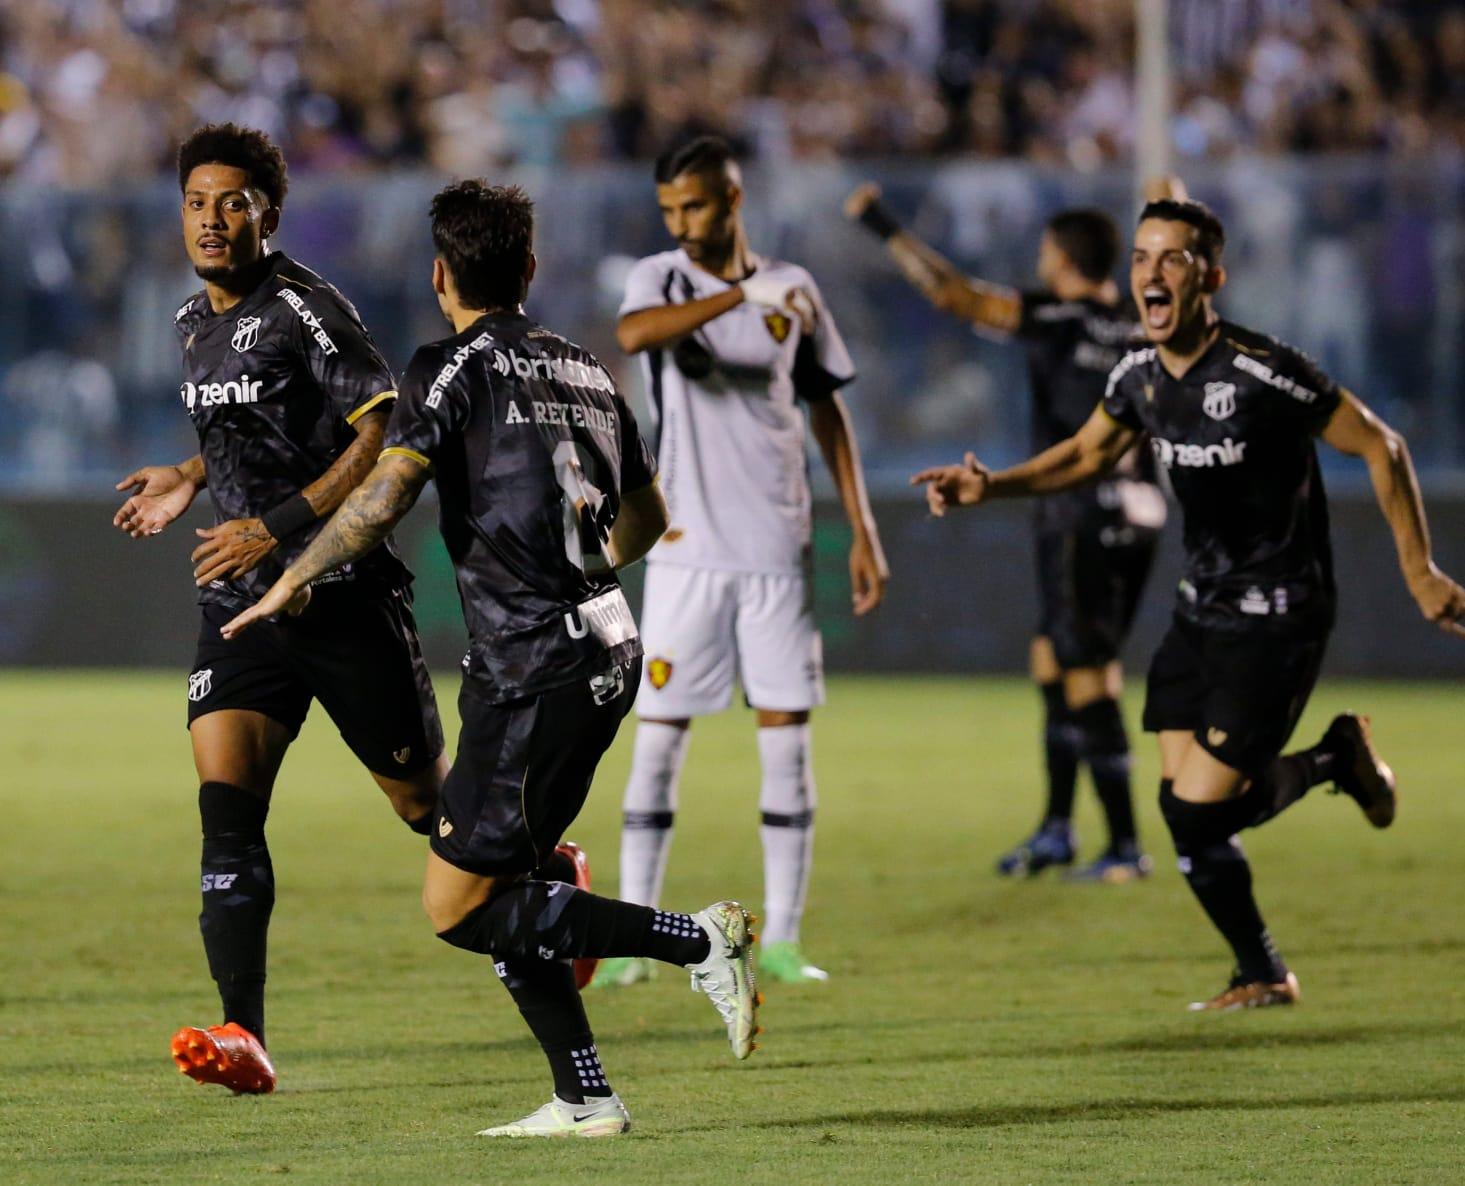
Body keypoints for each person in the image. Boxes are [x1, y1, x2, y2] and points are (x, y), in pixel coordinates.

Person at [222, 180, 761, 1137]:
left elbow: (386, 498)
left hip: (530, 668)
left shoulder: (449, 367)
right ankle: (585, 1094)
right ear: (530, 270)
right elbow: (649, 519)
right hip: (607, 646)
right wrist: (578, 571)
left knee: (457, 905)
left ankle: (697, 940)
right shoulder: (589, 370)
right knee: (506, 887)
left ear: (440, 274)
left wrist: (288, 573)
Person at [913, 197, 1465, 1009]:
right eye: (1141, 258)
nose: (1150, 273)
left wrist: (1419, 570)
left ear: (1210, 276)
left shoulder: (1261, 369)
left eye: (1172, 258)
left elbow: (1381, 446)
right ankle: (1330, 771)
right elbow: (1083, 456)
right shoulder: (1136, 376)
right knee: (1191, 800)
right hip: (1198, 607)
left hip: (1279, 611)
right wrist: (989, 485)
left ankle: (1265, 965)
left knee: (1193, 812)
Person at [112, 123, 447, 1092]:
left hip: (341, 596)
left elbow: (380, 428)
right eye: (196, 203)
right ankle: (243, 1035)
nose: (212, 221)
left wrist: (277, 523)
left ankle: (546, 868)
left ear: (270, 212)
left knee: (430, 808)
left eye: (232, 202)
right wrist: (185, 477)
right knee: (226, 816)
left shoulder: (307, 306)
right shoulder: (190, 323)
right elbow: (241, 424)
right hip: (239, 604)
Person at [593, 136, 889, 989]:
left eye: (694, 207)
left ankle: (786, 939)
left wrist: (863, 530)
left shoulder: (792, 288)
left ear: (731, 200)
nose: (681, 224)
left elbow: (827, 409)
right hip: (686, 548)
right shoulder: (662, 278)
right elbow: (634, 330)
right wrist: (733, 296)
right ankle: (632, 941)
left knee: (786, 739)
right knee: (657, 742)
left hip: (777, 547)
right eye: (669, 211)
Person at [846, 181, 1169, 882]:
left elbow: (952, 293)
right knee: (1054, 659)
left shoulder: (1053, 314)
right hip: (1139, 504)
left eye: (1047, 249)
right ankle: (1057, 829)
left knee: (1086, 669)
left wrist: (883, 225)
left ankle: (1122, 846)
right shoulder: (1145, 324)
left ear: (1061, 257)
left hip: (1080, 508)